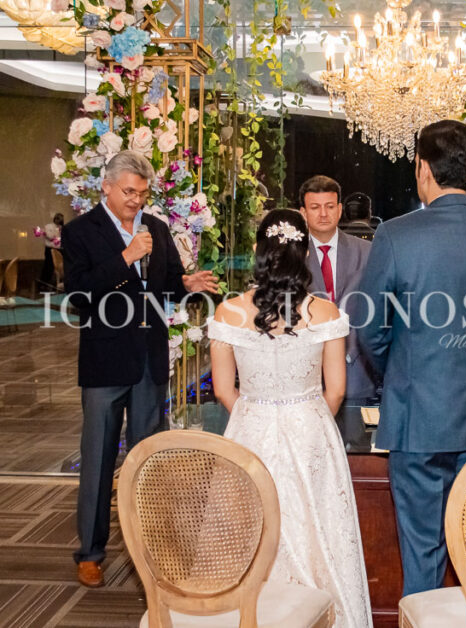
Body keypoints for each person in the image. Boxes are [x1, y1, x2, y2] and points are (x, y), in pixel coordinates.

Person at [356, 120, 466, 596]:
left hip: (419, 419)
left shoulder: (394, 235)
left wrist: (406, 370)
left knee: (422, 551)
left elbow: (369, 327)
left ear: (421, 169)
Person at [209, 209, 373, 628]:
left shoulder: (229, 312)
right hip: (311, 430)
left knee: (248, 531)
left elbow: (224, 389)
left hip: (251, 429)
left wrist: (256, 416)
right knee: (320, 533)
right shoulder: (327, 313)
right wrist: (307, 417)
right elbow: (335, 389)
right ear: (303, 254)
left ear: (257, 252)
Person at [62, 150, 218, 588]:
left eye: (143, 194)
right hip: (105, 363)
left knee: (150, 461)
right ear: (106, 187)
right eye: (129, 192)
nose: (136, 201)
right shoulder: (79, 233)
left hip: (149, 360)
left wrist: (186, 284)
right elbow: (77, 296)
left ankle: (152, 545)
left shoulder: (157, 228)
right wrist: (125, 257)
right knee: (98, 461)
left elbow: (165, 286)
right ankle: (90, 552)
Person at [300, 176, 378, 404]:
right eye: (315, 207)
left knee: (357, 438)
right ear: (303, 212)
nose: (323, 214)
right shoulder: (292, 256)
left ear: (340, 209)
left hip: (357, 373)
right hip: (306, 374)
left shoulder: (368, 251)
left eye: (330, 206)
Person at [40, 212, 64, 287]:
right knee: (49, 266)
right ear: (55, 219)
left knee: (59, 267)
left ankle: (57, 283)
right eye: (59, 219)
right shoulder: (48, 226)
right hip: (50, 249)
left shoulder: (61, 227)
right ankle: (43, 283)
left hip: (59, 249)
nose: (59, 221)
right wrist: (56, 233)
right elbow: (49, 236)